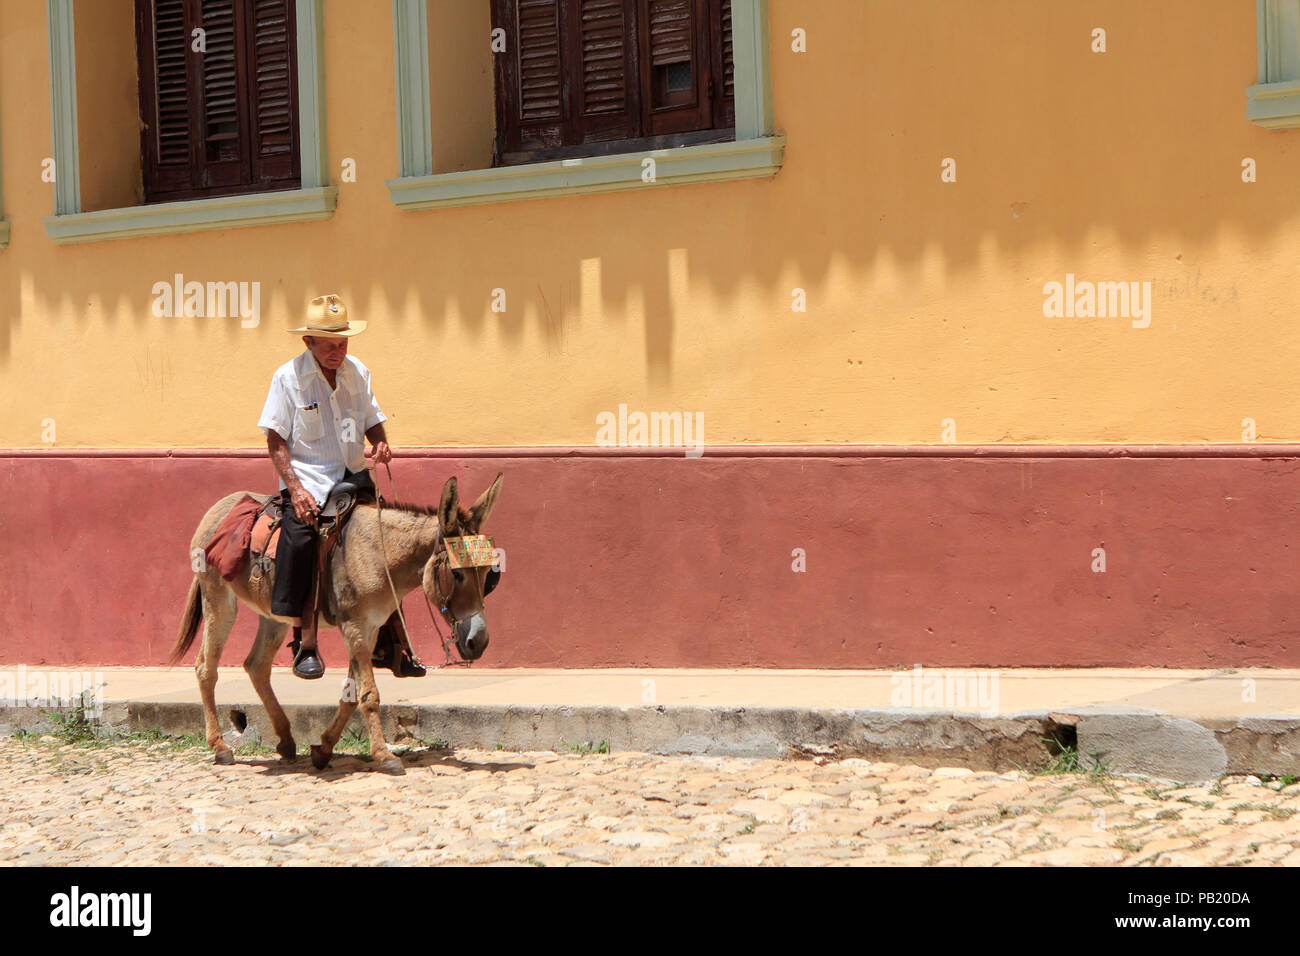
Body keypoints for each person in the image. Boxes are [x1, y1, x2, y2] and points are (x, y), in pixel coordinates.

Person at [258, 294, 393, 679]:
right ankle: (304, 642)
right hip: (309, 481)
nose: (339, 351)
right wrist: (296, 491)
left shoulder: (358, 371)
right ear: (308, 342)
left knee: (389, 540)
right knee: (302, 541)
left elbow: (371, 415)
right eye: (330, 345)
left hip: (352, 477)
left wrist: (380, 440)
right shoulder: (287, 378)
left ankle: (389, 640)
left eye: (343, 343)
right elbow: (275, 440)